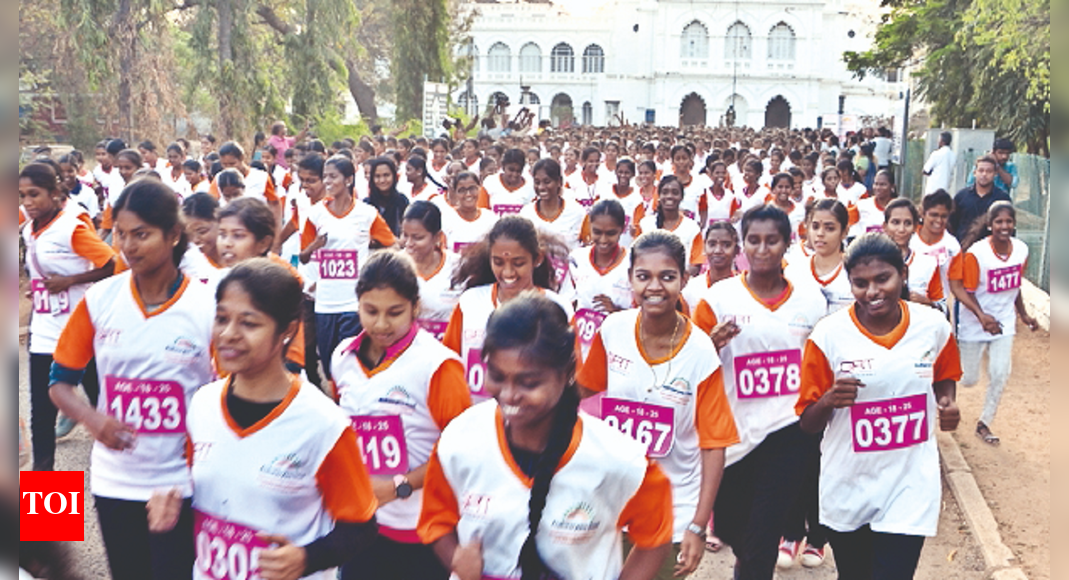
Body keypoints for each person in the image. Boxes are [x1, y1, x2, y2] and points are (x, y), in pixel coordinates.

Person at [147, 259, 379, 580]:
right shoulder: (202, 404)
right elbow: (201, 498)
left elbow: (361, 527)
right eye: (222, 319)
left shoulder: (323, 423)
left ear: (287, 330)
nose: (228, 334)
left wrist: (306, 558)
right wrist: (169, 517)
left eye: (249, 324)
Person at [419, 294, 674, 580]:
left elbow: (655, 538)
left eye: (529, 382)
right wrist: (457, 559)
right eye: (497, 376)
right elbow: (436, 522)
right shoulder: (459, 440)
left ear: (566, 373)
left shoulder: (621, 461)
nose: (509, 394)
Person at [49, 179, 216, 580]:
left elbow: (226, 397)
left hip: (181, 483)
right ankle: (45, 533)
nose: (129, 246)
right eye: (122, 234)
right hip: (115, 480)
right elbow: (59, 382)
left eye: (142, 235)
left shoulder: (207, 305)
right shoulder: (101, 299)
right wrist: (93, 420)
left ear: (174, 234)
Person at [795, 232, 962, 579]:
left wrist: (947, 403)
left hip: (909, 486)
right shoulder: (828, 336)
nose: (872, 292)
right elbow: (808, 423)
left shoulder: (933, 327)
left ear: (902, 274)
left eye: (883, 279)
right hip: (849, 485)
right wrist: (829, 400)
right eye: (860, 283)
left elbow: (944, 377)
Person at [578, 232, 739, 580]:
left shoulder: (700, 352)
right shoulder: (613, 330)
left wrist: (698, 526)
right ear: (630, 279)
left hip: (672, 511)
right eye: (643, 276)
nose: (655, 287)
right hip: (610, 504)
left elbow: (714, 446)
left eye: (667, 277)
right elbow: (581, 390)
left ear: (683, 279)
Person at [692, 205, 828, 580]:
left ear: (787, 244)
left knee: (763, 535)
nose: (763, 249)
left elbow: (821, 360)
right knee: (734, 529)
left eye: (772, 241)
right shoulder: (718, 299)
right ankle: (748, 557)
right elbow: (692, 361)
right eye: (754, 240)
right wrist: (709, 344)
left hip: (789, 431)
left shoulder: (811, 301)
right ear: (742, 246)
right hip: (733, 431)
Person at [331, 251, 472, 579]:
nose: (381, 324)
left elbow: (460, 451)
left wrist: (400, 486)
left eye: (394, 312)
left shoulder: (438, 366)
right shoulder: (342, 357)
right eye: (370, 311)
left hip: (422, 531)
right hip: (363, 525)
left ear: (415, 307)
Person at [21, 163, 117, 470]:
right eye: (22, 196)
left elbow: (113, 265)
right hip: (46, 331)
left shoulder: (71, 227)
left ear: (54, 193)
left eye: (34, 194)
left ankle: (122, 471)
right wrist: (37, 292)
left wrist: (70, 281)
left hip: (80, 331)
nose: (28, 202)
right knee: (42, 415)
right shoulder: (28, 230)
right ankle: (49, 513)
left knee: (101, 402)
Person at [442, 216, 574, 402]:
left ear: (537, 259)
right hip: (477, 422)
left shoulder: (558, 309)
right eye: (498, 262)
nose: (508, 273)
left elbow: (571, 376)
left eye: (518, 263)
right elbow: (450, 367)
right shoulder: (469, 303)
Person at [298, 156, 398, 381]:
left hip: (353, 303)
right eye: (325, 177)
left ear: (349, 179)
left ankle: (351, 410)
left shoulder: (366, 213)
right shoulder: (315, 214)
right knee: (329, 364)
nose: (328, 181)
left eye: (333, 176)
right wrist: (315, 246)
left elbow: (391, 244)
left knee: (350, 363)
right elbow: (303, 257)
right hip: (325, 303)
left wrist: (373, 273)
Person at [949, 201, 1039, 445]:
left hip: (1004, 323)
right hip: (973, 323)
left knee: (1000, 373)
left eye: (1008, 221)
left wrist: (1023, 315)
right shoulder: (977, 254)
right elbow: (966, 291)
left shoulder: (1021, 249)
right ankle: (943, 398)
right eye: (999, 221)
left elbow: (1015, 285)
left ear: (1014, 224)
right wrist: (981, 316)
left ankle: (985, 423)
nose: (1004, 225)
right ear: (989, 225)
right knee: (968, 379)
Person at [563, 199, 632, 360]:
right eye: (597, 232)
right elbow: (568, 300)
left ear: (622, 230)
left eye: (611, 233)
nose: (603, 240)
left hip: (617, 348)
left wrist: (616, 312)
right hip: (580, 347)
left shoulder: (632, 263)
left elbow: (642, 312)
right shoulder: (576, 259)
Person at [401, 201, 461, 340]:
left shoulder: (458, 266)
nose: (409, 244)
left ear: (437, 237)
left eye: (418, 238)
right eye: (405, 235)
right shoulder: (395, 267)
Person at [786, 199, 853, 314]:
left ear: (844, 232)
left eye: (830, 228)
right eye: (815, 227)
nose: (820, 234)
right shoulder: (794, 271)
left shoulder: (855, 272)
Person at [636, 176, 704, 277]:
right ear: (658, 195)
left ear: (681, 197)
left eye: (675, 192)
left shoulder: (692, 228)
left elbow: (695, 264)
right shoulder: (645, 224)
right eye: (665, 192)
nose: (669, 196)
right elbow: (636, 257)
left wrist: (674, 281)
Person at [883, 199, 944, 310]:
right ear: (885, 226)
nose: (901, 229)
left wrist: (928, 303)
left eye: (908, 223)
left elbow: (943, 308)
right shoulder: (872, 262)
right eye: (895, 222)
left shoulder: (928, 264)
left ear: (915, 227)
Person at [520, 158, 589, 252]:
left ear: (559, 182)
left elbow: (587, 248)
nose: (541, 187)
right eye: (537, 182)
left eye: (547, 182)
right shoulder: (526, 215)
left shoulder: (577, 212)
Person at [911, 189, 962, 303]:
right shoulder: (909, 239)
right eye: (934, 215)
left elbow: (956, 286)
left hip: (939, 306)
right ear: (923, 214)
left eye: (944, 216)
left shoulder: (952, 246)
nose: (939, 220)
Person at [211, 141, 280, 219]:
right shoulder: (219, 178)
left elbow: (274, 204)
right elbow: (211, 205)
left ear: (242, 158)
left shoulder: (261, 177)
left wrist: (276, 229)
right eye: (224, 164)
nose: (228, 168)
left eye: (232, 164)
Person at [682, 220, 739, 314]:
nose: (718, 250)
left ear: (736, 250)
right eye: (712, 244)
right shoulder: (690, 289)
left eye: (726, 245)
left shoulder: (742, 289)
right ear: (704, 247)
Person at [949, 156, 1011, 240]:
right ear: (975, 173)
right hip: (964, 246)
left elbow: (1008, 225)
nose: (984, 174)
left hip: (991, 247)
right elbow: (952, 224)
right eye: (981, 171)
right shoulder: (961, 196)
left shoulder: (1002, 198)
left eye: (989, 171)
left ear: (995, 174)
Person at [440, 172, 499, 254]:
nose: (468, 194)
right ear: (455, 193)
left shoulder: (491, 219)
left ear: (479, 189)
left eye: (472, 188)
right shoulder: (446, 219)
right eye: (462, 190)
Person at [483, 148, 535, 216]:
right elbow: (482, 212)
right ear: (503, 166)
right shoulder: (490, 183)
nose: (514, 174)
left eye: (518, 171)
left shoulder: (530, 187)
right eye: (511, 170)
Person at [850, 168, 896, 239]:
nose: (878, 187)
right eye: (876, 184)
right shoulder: (861, 205)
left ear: (892, 187)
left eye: (883, 184)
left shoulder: (899, 208)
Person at [181, 193, 222, 268]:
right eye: (190, 235)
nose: (195, 240)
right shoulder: (189, 264)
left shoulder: (239, 257)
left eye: (202, 232)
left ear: (219, 221)